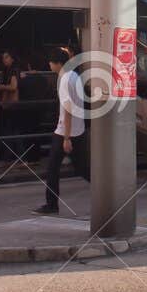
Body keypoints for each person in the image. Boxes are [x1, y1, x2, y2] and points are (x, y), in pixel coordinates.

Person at [35, 47, 87, 214]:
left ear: (57, 63)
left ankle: (51, 205)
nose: (49, 65)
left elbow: (68, 108)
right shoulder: (75, 76)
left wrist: (66, 137)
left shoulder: (64, 79)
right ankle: (107, 190)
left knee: (52, 169)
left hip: (65, 132)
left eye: (50, 62)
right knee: (83, 169)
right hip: (78, 129)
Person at [0, 50, 21, 160]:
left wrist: (2, 87)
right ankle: (11, 156)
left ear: (12, 58)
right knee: (11, 130)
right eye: (3, 57)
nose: (4, 59)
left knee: (10, 130)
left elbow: (14, 87)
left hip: (11, 104)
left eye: (6, 57)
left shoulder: (13, 71)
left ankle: (10, 156)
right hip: (10, 104)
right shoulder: (8, 70)